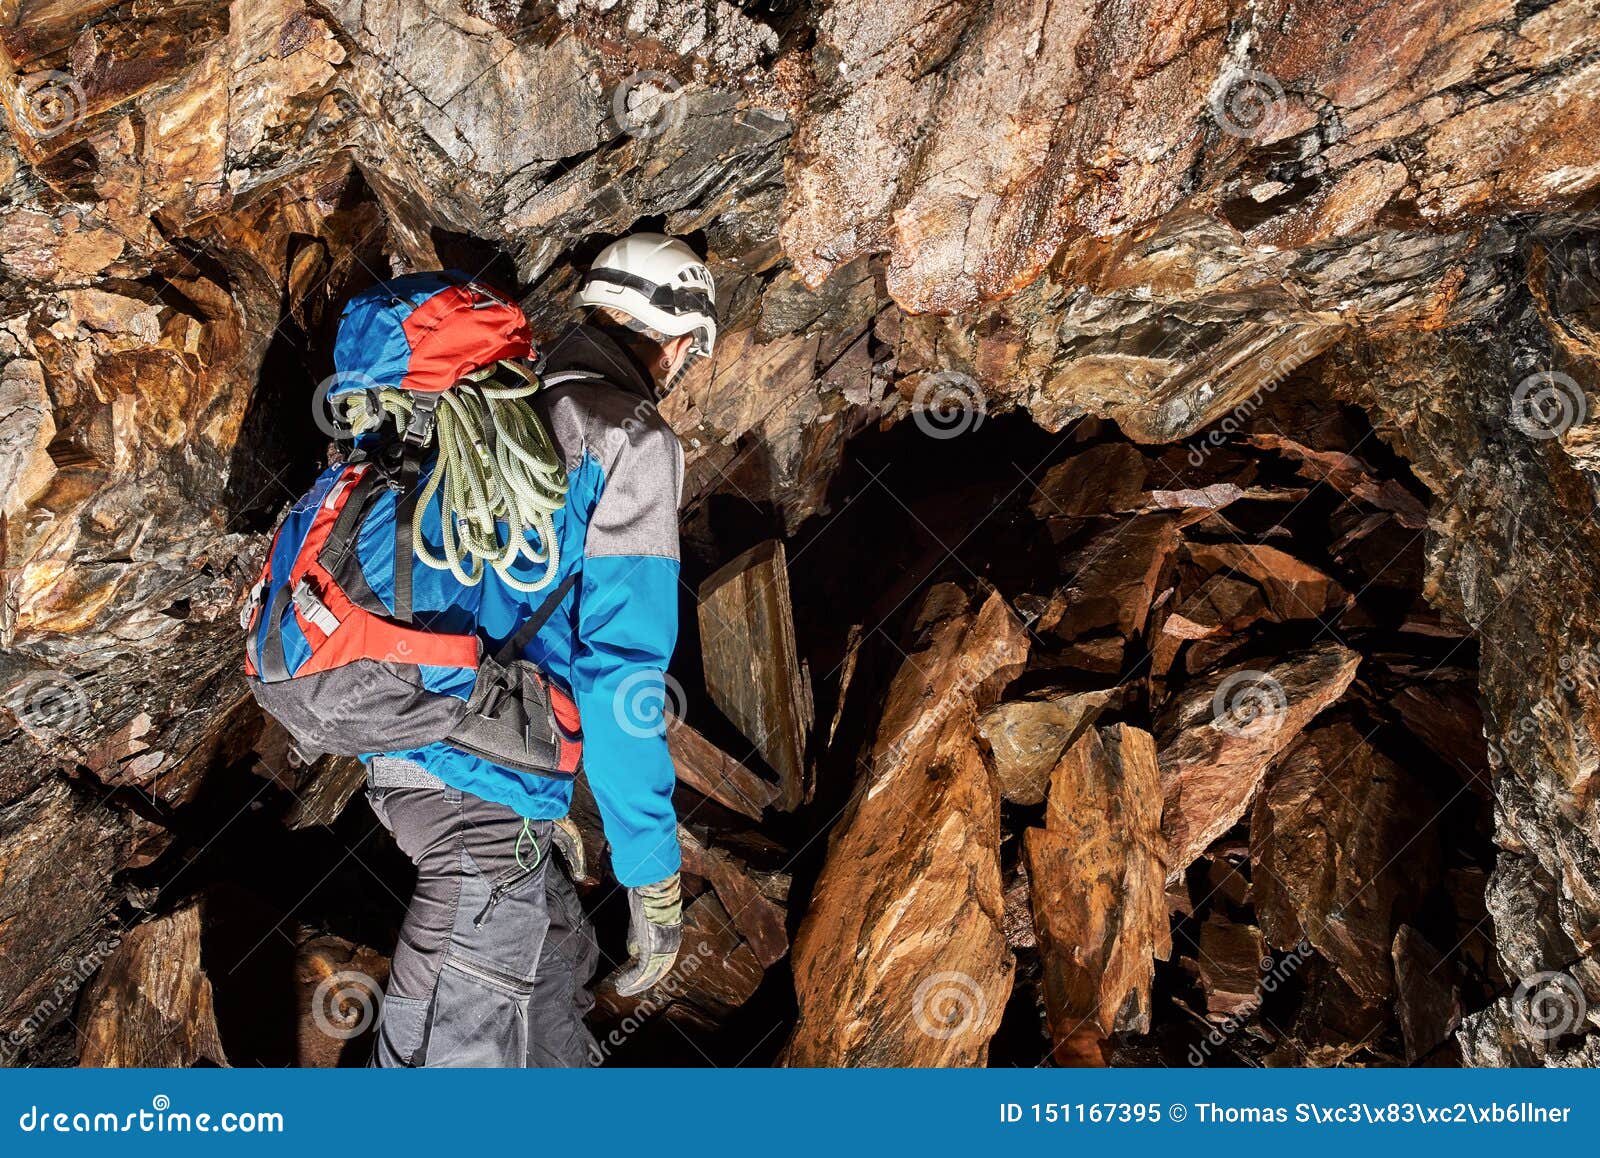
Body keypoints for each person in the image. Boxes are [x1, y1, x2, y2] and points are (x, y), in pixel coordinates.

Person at [361, 233, 716, 1067]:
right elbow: (620, 677)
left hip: (397, 737)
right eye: (688, 354)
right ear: (672, 340)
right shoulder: (628, 437)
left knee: (554, 977)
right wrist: (651, 873)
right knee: (461, 1059)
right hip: (477, 786)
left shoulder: (491, 402)